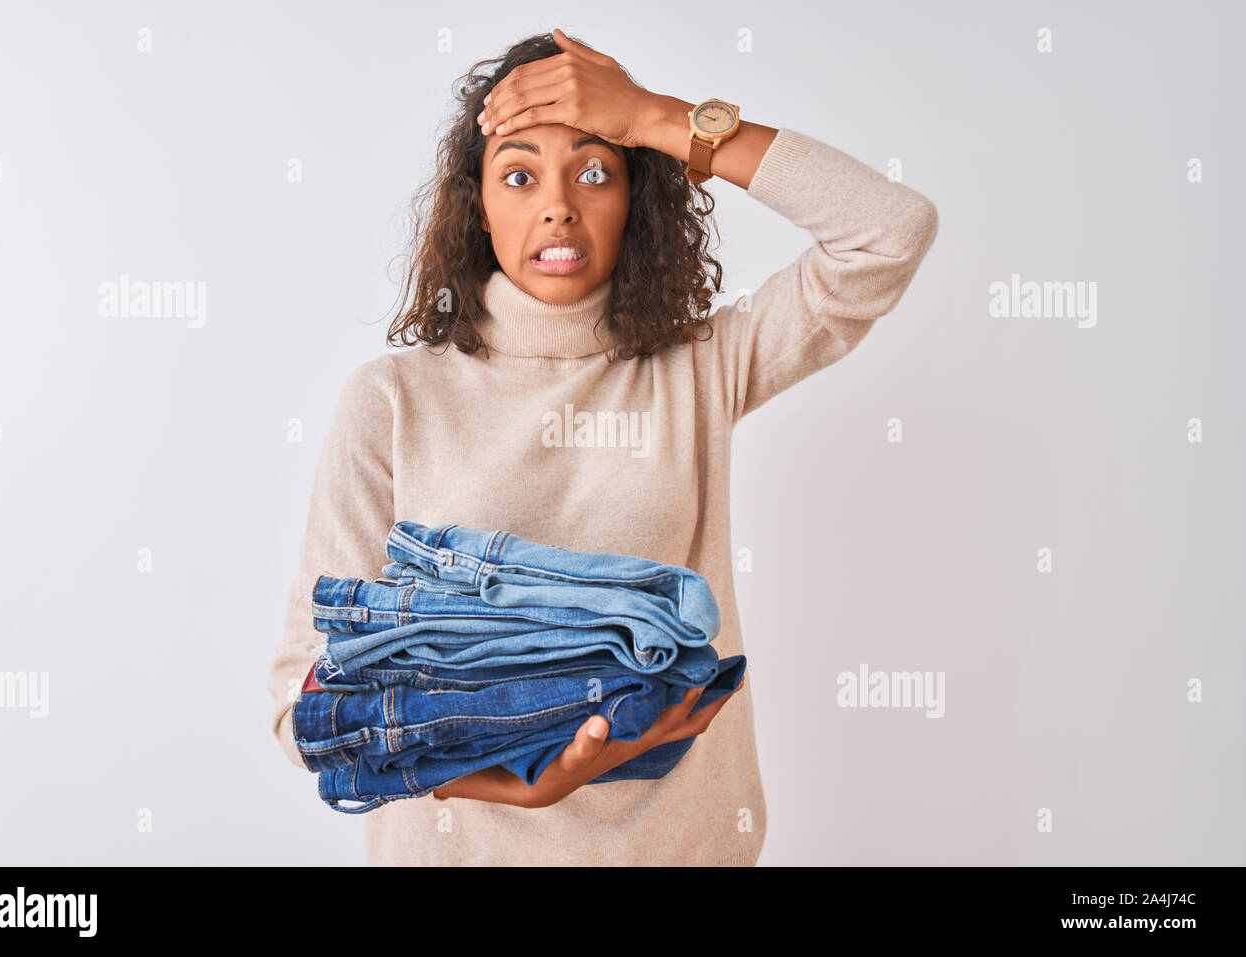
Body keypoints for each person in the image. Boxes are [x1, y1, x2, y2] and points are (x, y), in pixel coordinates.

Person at [267, 27, 939, 865]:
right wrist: (509, 779)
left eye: (595, 171)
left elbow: (890, 229)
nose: (558, 205)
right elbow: (305, 696)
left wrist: (662, 118)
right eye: (519, 174)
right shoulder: (392, 400)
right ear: (476, 203)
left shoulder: (701, 368)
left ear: (636, 198)